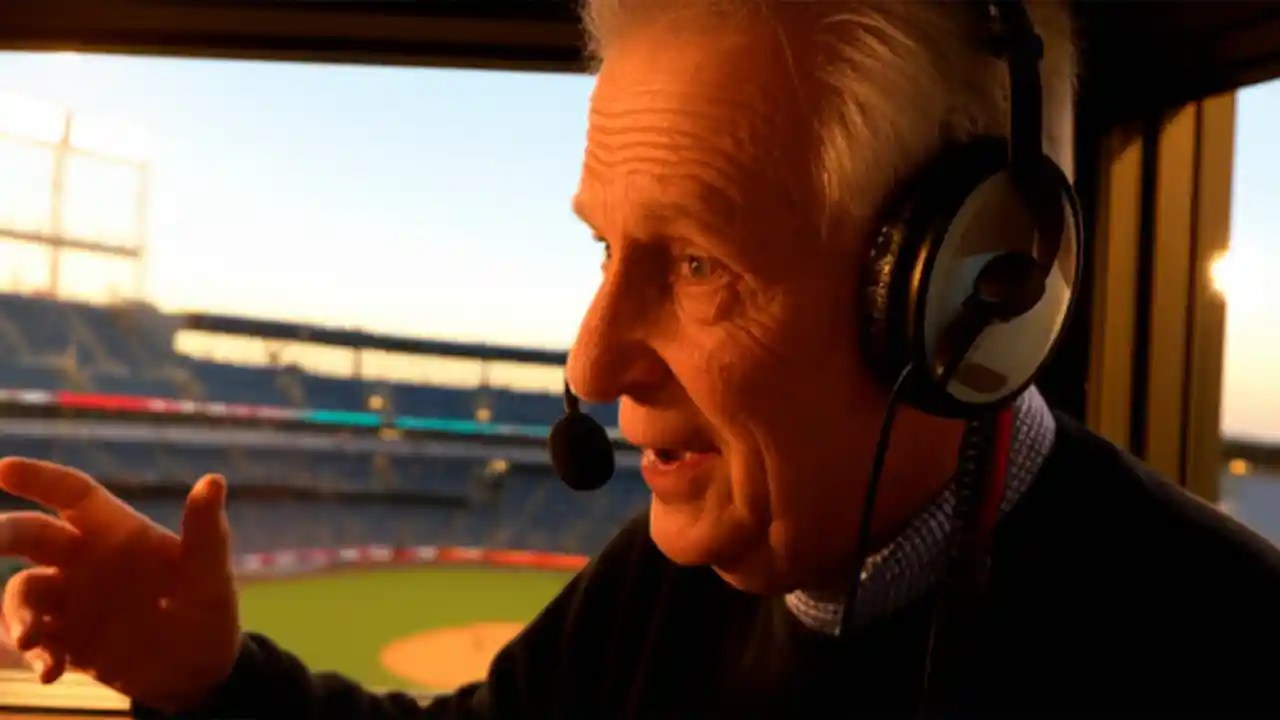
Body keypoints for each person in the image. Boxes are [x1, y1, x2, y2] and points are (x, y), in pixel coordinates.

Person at [3, 1, 1280, 716]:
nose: (595, 360)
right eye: (605, 250)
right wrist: (210, 677)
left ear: (956, 300)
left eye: (696, 264)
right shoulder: (663, 590)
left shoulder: (1220, 653)